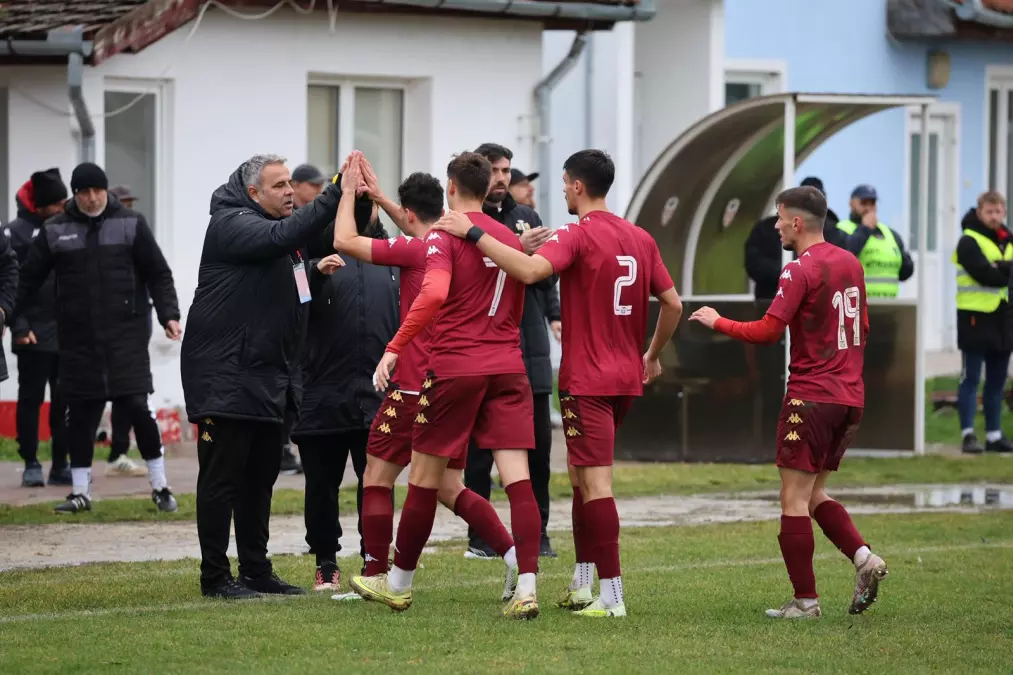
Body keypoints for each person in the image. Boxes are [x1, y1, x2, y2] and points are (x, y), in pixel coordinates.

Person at [432, 148, 683, 619]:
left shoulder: (577, 233)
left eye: (566, 183)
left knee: (597, 484)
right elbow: (672, 304)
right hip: (625, 379)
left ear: (577, 186)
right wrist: (649, 354)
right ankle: (584, 583)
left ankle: (612, 597)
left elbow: (528, 271)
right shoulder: (640, 237)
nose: (563, 190)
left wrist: (473, 230)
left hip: (586, 380)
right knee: (584, 482)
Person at [349, 152, 543, 619]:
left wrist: (395, 345)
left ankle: (397, 582)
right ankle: (527, 584)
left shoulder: (445, 234)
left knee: (423, 478)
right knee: (518, 481)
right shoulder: (505, 235)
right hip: (510, 367)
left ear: (451, 188)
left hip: (457, 367)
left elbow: (434, 291)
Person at [689, 185, 888, 619]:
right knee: (815, 493)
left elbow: (767, 332)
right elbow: (864, 328)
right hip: (849, 397)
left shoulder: (799, 270)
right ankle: (864, 559)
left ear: (797, 222)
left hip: (812, 397)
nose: (776, 225)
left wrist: (716, 320)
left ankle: (805, 602)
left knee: (792, 499)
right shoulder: (849, 262)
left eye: (779, 217)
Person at [181, 154, 347, 600]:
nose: (290, 191)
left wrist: (314, 271)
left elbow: (292, 288)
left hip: (267, 378)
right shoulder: (232, 222)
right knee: (221, 481)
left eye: (291, 183)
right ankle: (215, 577)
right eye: (279, 186)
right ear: (254, 193)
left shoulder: (283, 240)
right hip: (226, 375)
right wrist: (334, 190)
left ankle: (256, 570)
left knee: (259, 480)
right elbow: (280, 236)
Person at [13, 163, 182, 515]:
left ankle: (161, 486)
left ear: (107, 191)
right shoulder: (55, 230)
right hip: (78, 341)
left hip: (126, 337)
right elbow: (26, 282)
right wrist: (16, 320)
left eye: (97, 191)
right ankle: (80, 492)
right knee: (81, 416)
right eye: (84, 192)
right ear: (74, 195)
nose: (92, 198)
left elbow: (158, 273)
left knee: (138, 408)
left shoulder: (131, 223)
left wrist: (169, 315)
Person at [292, 164, 397, 593]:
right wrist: (316, 273)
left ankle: (374, 559)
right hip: (322, 390)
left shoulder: (391, 254)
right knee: (322, 486)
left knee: (375, 481)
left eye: (366, 205)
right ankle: (325, 562)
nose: (360, 214)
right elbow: (291, 296)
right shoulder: (305, 254)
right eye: (352, 205)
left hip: (376, 392)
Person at [465, 143, 560, 560]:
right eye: (494, 171)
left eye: (506, 171)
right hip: (480, 350)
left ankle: (538, 536)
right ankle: (481, 538)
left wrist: (538, 257)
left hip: (528, 350)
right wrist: (517, 253)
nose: (502, 178)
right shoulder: (466, 221)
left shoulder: (528, 218)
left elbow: (544, 280)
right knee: (478, 451)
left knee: (538, 448)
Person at [7, 169, 71, 487]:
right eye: (58, 202)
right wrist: (17, 324)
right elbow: (10, 283)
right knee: (30, 400)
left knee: (64, 401)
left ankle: (61, 464)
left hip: (65, 333)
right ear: (42, 205)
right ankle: (31, 461)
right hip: (30, 332)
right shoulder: (15, 234)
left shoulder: (67, 228)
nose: (63, 206)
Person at [953, 192, 1013, 455]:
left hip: (1003, 318)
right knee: (971, 377)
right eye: (989, 211)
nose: (994, 216)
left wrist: (1002, 266)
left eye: (998, 211)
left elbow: (1000, 274)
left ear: (1004, 212)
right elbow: (987, 276)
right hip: (974, 318)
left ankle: (994, 435)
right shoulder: (968, 241)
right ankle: (968, 434)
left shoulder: (1007, 240)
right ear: (979, 212)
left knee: (997, 380)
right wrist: (1003, 270)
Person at [104, 184, 151, 478]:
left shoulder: (136, 230)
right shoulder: (104, 238)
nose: (129, 208)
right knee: (126, 393)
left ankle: (118, 451)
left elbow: (154, 270)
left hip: (136, 320)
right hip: (111, 325)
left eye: (131, 202)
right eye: (124, 202)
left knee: (128, 392)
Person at [745, 177, 844, 300]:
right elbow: (754, 262)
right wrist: (785, 274)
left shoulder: (833, 233)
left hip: (815, 308)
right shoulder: (767, 229)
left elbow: (838, 270)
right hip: (772, 302)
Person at [835, 184, 914, 298]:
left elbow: (905, 273)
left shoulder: (890, 234)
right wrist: (865, 229)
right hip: (856, 307)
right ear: (851, 204)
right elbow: (844, 259)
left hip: (890, 307)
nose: (869, 208)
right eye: (863, 203)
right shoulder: (842, 229)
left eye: (872, 203)